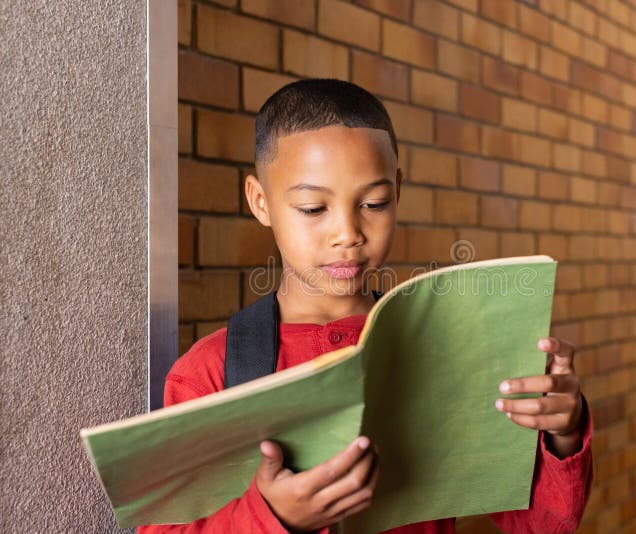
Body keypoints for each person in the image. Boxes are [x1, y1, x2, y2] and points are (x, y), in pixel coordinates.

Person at [139, 78, 593, 534]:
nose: (348, 233)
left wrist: (562, 432)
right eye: (314, 208)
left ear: (397, 190)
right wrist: (273, 519)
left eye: (374, 203)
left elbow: (543, 525)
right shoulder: (211, 374)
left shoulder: (444, 353)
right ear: (261, 201)